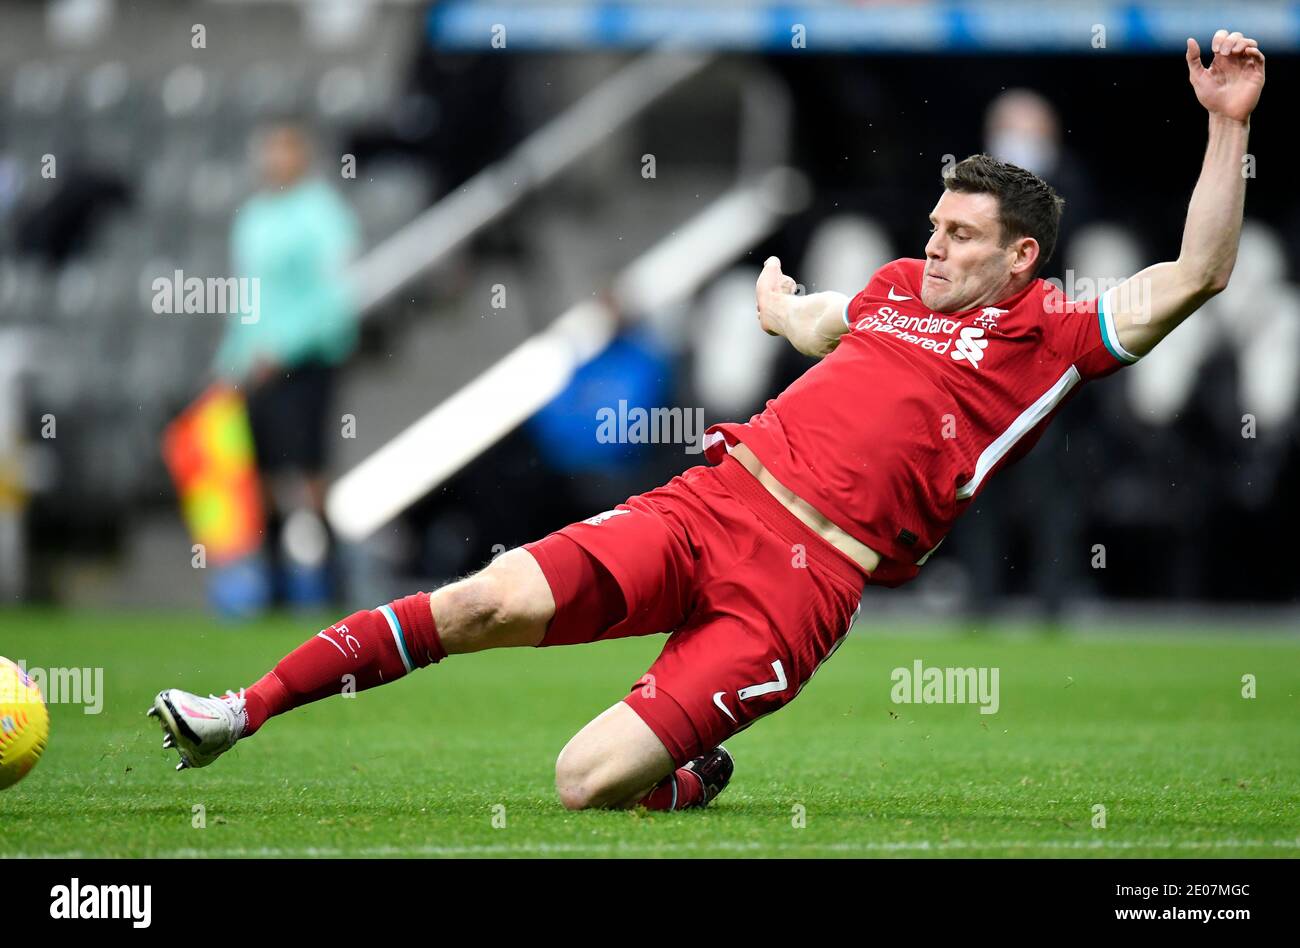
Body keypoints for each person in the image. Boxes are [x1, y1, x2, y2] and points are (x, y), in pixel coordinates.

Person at [150, 32, 1264, 811]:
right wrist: (782, 311)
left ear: (1021, 256)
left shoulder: (1051, 335)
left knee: (581, 784)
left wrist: (1225, 128)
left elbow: (1200, 272)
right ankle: (238, 711)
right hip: (706, 503)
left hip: (802, 586)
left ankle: (682, 776)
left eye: (961, 236)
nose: (933, 245)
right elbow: (824, 319)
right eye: (933, 224)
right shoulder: (888, 288)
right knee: (479, 599)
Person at [213, 121, 361, 607]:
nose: (275, 160)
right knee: (261, 476)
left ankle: (336, 585)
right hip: (255, 367)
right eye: (269, 151)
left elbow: (334, 295)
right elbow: (247, 300)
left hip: (307, 362)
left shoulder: (322, 214)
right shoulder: (253, 216)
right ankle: (273, 588)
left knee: (309, 474)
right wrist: (231, 363)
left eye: (285, 150)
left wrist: (284, 348)